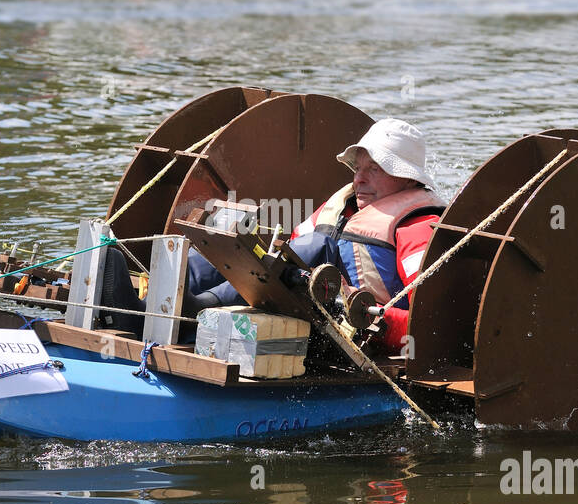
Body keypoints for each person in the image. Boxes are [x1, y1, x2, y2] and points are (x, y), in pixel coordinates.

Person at [103, 119, 447, 352]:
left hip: (343, 333)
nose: (360, 179)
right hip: (298, 299)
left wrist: (371, 317)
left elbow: (430, 323)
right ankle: (144, 310)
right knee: (231, 243)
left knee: (316, 246)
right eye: (359, 168)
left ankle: (195, 316)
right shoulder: (342, 206)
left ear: (408, 180)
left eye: (375, 169)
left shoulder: (418, 229)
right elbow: (287, 252)